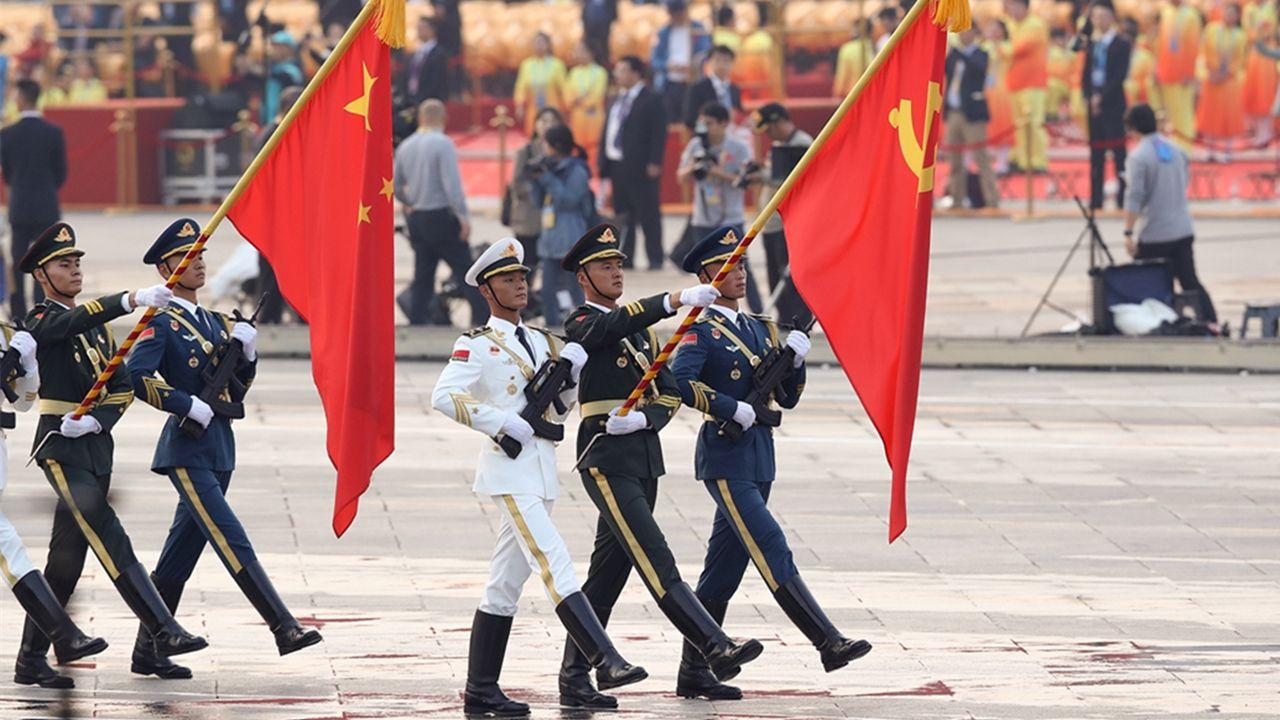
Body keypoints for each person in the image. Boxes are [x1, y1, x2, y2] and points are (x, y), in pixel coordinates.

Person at [431, 238, 647, 716]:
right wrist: (502, 422)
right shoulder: (477, 345)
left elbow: (559, 410)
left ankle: (481, 690)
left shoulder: (547, 342)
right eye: (508, 280)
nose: (520, 286)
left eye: (522, 278)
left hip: (541, 468)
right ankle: (605, 658)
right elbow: (444, 396)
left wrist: (569, 381)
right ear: (487, 291)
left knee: (504, 585)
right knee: (554, 560)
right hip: (509, 472)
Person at [556, 224, 763, 710]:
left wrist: (646, 418)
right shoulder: (582, 322)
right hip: (606, 458)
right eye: (605, 267)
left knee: (607, 574)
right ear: (584, 278)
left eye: (618, 265)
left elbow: (669, 392)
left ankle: (574, 676)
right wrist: (673, 300)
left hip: (644, 458)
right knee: (655, 554)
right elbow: (608, 328)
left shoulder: (644, 334)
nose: (616, 273)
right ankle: (714, 644)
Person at [668, 228, 873, 701]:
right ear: (706, 276)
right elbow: (680, 382)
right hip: (725, 456)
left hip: (759, 457)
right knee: (770, 543)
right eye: (728, 267)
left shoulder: (760, 328)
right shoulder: (700, 330)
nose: (739, 274)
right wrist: (730, 408)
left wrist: (795, 362)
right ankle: (827, 641)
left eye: (742, 265)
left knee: (723, 570)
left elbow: (787, 397)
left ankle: (693, 672)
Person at [125, 220, 324, 680]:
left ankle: (147, 650)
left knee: (180, 553)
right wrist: (184, 404)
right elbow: (137, 377)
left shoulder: (215, 322)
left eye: (200, 255)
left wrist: (247, 357)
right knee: (230, 536)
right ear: (165, 269)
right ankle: (283, 626)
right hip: (185, 449)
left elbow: (235, 390)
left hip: (219, 448)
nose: (197, 263)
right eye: (186, 257)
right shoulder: (160, 321)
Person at [14, 224, 208, 689]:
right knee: (109, 534)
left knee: (66, 560)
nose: (74, 270)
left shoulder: (98, 331)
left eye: (77, 263)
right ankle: (163, 628)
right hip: (60, 447)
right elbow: (66, 325)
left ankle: (30, 660)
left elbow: (121, 383)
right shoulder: (40, 320)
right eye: (64, 264)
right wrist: (129, 299)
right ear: (42, 276)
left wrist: (99, 421)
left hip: (95, 446)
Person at [0, 322, 109, 688]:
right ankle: (62, 634)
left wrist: (29, 365)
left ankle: (47, 648)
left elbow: (22, 402)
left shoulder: (5, 334)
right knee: (9, 547)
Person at [1121, 104, 1218, 328]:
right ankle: (1212, 322)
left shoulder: (1138, 157)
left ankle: (1157, 325)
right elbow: (1184, 182)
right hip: (1182, 229)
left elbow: (1134, 197)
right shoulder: (1177, 150)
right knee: (1190, 281)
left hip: (1155, 233)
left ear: (1132, 128)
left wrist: (1128, 232)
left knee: (1148, 284)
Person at [393, 100, 486, 327]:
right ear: (444, 119)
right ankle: (483, 318)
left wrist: (409, 202)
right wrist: (463, 217)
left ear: (420, 118)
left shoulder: (406, 146)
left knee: (423, 274)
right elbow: (452, 185)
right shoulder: (443, 144)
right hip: (441, 216)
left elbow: (395, 185)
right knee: (466, 270)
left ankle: (417, 321)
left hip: (417, 218)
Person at [677, 102, 761, 312]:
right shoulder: (696, 145)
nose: (704, 128)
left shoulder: (738, 147)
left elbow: (746, 181)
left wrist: (716, 171)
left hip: (730, 218)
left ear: (724, 123)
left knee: (741, 266)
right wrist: (695, 166)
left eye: (709, 123)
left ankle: (758, 313)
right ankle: (710, 314)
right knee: (706, 272)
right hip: (703, 218)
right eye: (702, 123)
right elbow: (680, 177)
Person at [1, 80, 66, 320]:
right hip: (46, 204)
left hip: (19, 204)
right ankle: (42, 307)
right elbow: (61, 172)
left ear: (21, 99)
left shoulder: (7, 134)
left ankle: (18, 310)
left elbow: (7, 172)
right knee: (45, 259)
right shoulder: (53, 132)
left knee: (18, 259)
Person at [598, 56, 668, 271]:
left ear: (636, 73)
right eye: (617, 70)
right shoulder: (615, 98)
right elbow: (608, 129)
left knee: (648, 212)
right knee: (622, 212)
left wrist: (655, 161)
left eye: (623, 70)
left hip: (641, 164)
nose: (617, 74)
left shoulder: (652, 98)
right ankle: (626, 256)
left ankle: (655, 256)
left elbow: (658, 133)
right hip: (616, 162)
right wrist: (603, 159)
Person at [752, 103, 813, 323]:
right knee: (775, 277)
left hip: (787, 223)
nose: (768, 135)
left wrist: (762, 176)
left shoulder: (801, 145)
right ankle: (784, 319)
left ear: (778, 122)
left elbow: (792, 180)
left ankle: (798, 321)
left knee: (789, 278)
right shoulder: (779, 145)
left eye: (769, 129)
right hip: (771, 223)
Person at [531, 125, 594, 326]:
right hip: (550, 239)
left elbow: (569, 201)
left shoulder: (577, 170)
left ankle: (586, 325)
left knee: (576, 289)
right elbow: (538, 202)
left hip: (570, 236)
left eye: (546, 145)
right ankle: (552, 327)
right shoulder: (549, 168)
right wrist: (536, 179)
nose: (543, 149)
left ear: (556, 146)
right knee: (547, 290)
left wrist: (547, 178)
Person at [1081, 2, 1132, 210]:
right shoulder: (1092, 43)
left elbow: (1119, 76)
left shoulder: (1122, 44)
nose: (1099, 21)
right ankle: (1096, 198)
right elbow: (1086, 74)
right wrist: (1088, 96)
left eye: (1103, 16)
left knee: (1119, 153)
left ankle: (1123, 198)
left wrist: (1101, 97)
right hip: (1093, 104)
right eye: (1095, 17)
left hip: (1112, 103)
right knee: (1096, 154)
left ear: (1111, 17)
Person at [509, 107, 564, 293]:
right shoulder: (525, 152)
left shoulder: (562, 154)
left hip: (555, 221)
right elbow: (517, 183)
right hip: (529, 218)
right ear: (535, 125)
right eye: (543, 121)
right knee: (527, 269)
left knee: (555, 273)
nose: (548, 125)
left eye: (552, 121)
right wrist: (539, 191)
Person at [945, 27, 1000, 209]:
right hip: (954, 112)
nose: (962, 35)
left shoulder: (981, 54)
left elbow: (978, 69)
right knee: (954, 160)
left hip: (973, 114)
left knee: (981, 158)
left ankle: (991, 200)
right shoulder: (954, 55)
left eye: (966, 31)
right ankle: (956, 199)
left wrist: (961, 53)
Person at [1004, 0, 1050, 173]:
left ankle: (1038, 161)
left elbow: (1018, 49)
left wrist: (998, 45)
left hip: (1033, 84)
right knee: (1018, 125)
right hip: (1014, 82)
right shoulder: (1010, 24)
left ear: (1025, 6)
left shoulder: (1035, 25)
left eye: (1016, 5)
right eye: (1010, 5)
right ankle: (1023, 161)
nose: (1012, 9)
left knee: (1034, 124)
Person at [1197, 4, 1247, 159]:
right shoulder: (1211, 29)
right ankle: (1209, 150)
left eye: (1232, 14)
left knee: (1228, 115)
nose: (1228, 16)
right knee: (1210, 114)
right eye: (1227, 13)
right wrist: (1211, 71)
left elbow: (1240, 59)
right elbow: (1204, 50)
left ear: (1237, 17)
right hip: (1211, 78)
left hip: (1229, 80)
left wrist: (1225, 74)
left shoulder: (1240, 35)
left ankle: (1227, 149)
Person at [1156, 0, 1203, 151]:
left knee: (1184, 113)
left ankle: (1185, 150)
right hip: (1167, 71)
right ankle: (1176, 147)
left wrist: (1189, 73)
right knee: (1172, 114)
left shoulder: (1191, 15)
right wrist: (1159, 68)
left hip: (1183, 75)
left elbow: (1193, 46)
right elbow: (1162, 43)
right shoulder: (1166, 12)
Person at [651, 0, 711, 118]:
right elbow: (655, 60)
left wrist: (693, 64)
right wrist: (667, 65)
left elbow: (705, 52)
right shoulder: (663, 33)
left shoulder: (698, 29)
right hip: (670, 83)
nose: (677, 17)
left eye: (680, 13)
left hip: (692, 80)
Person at [564, 41, 609, 169]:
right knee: (577, 144)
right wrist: (575, 100)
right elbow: (567, 94)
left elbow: (597, 96)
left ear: (591, 53)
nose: (577, 54)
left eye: (581, 51)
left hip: (593, 115)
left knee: (594, 144)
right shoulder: (574, 72)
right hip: (577, 116)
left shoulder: (600, 72)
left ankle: (594, 169)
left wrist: (580, 101)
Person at [514, 32, 568, 136]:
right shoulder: (526, 65)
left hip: (552, 109)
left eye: (541, 42)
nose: (538, 46)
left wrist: (565, 108)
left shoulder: (557, 64)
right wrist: (519, 105)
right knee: (534, 135)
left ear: (548, 45)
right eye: (536, 43)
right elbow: (520, 87)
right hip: (533, 109)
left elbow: (564, 88)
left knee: (552, 135)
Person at [983, 19, 1017, 173]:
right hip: (985, 90)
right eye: (991, 28)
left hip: (1002, 89)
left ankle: (1002, 162)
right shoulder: (984, 46)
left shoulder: (1007, 46)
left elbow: (1009, 57)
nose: (994, 32)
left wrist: (997, 45)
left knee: (1002, 125)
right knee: (984, 126)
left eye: (997, 29)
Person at [684, 45, 743, 130]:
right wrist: (709, 126)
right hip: (707, 135)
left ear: (732, 64)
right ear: (709, 63)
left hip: (732, 133)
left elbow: (739, 114)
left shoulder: (735, 89)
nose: (722, 65)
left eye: (726, 61)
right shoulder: (697, 88)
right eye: (717, 60)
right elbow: (689, 120)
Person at [1243, 0, 1279, 140]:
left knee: (1267, 92)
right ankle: (1255, 129)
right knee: (1253, 91)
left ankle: (1267, 131)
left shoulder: (1271, 8)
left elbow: (1274, 29)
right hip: (1255, 53)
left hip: (1269, 53)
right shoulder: (1249, 9)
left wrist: (1268, 35)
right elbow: (1247, 30)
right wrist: (1256, 36)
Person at [404, 16, 448, 106]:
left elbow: (437, 80)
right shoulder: (415, 52)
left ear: (432, 30)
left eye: (422, 27)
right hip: (413, 100)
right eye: (418, 27)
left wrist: (422, 98)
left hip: (430, 101)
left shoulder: (439, 53)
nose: (419, 31)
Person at [263, 31, 303, 126]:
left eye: (277, 46)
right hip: (271, 120)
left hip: (283, 122)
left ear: (288, 49)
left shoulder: (291, 72)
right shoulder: (275, 69)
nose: (273, 50)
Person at [833, 19, 873, 98]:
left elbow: (843, 76)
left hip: (852, 95)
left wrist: (837, 93)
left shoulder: (847, 49)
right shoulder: (877, 47)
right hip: (872, 94)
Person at [582, 0, 618, 66]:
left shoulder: (611, 1)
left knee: (603, 49)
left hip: (605, 30)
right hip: (589, 30)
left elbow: (614, 15)